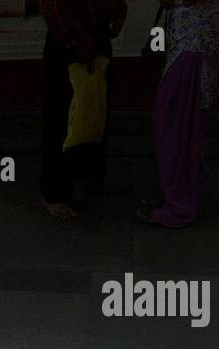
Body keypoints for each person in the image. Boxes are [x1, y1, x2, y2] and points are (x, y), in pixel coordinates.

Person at [139, 0, 219, 228]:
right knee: (185, 128)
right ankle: (181, 192)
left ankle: (179, 205)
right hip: (194, 46)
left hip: (192, 49)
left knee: (174, 127)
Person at [38, 0, 129, 219]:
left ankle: (89, 175)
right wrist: (77, 40)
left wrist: (118, 10)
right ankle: (54, 194)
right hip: (68, 40)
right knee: (63, 117)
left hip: (96, 33)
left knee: (95, 110)